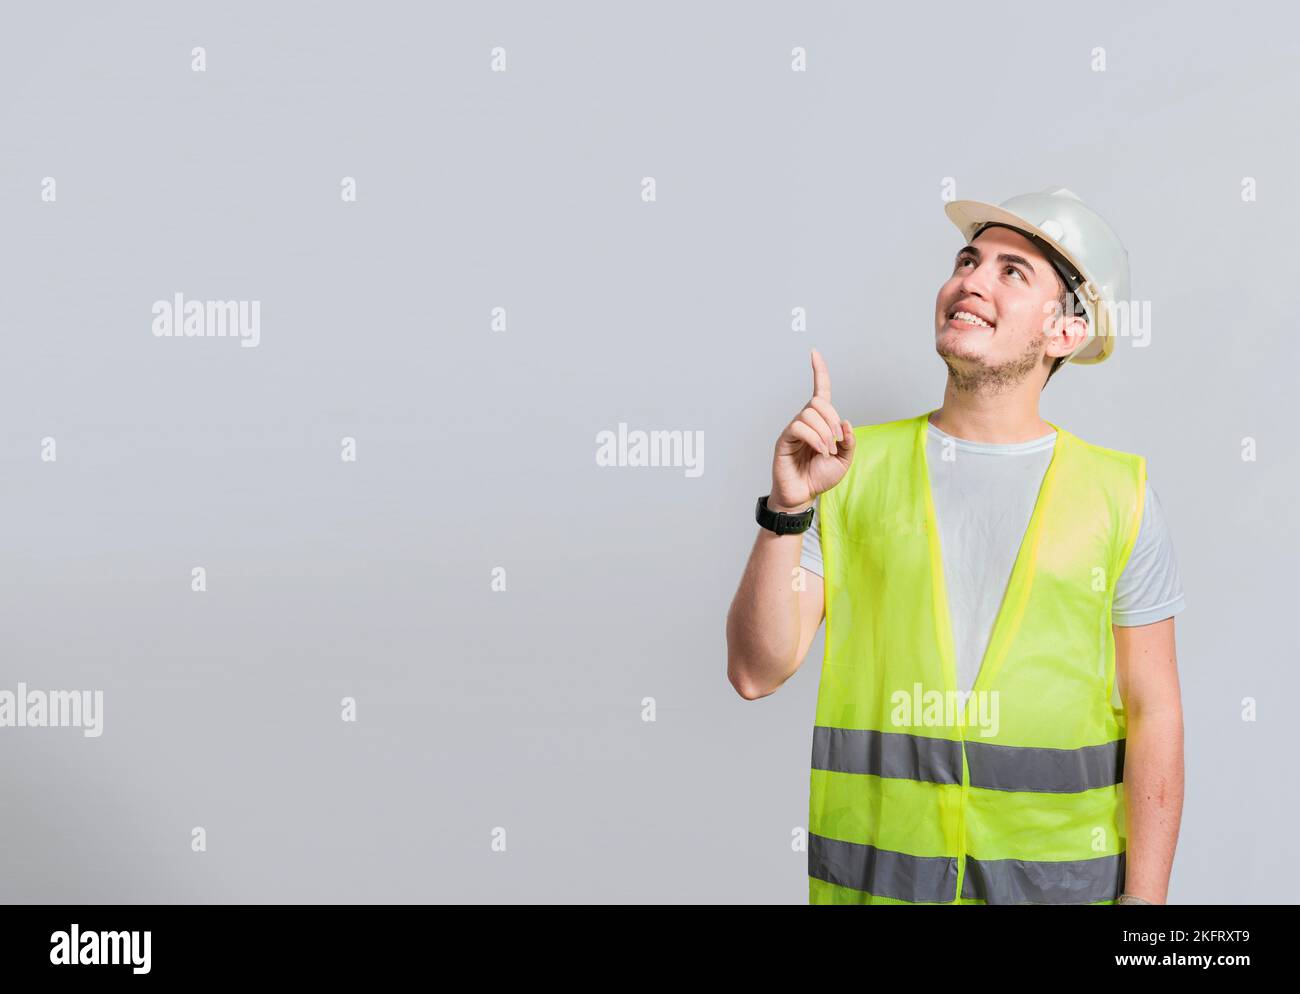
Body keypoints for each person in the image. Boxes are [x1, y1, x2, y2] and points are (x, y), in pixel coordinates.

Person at [725, 188, 1184, 905]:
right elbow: (756, 671)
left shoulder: (1119, 494)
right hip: (879, 890)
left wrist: (1147, 907)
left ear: (1064, 331)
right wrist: (787, 507)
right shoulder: (847, 471)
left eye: (1012, 271)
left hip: (1061, 891)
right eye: (968, 260)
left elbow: (1155, 709)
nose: (970, 279)